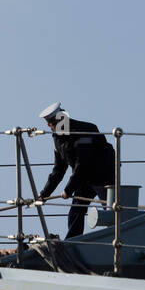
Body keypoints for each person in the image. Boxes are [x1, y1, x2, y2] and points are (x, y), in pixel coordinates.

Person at [37, 102, 116, 240]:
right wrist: (44, 194)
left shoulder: (83, 130)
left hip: (103, 176)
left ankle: (118, 239)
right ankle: (73, 244)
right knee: (75, 212)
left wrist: (68, 190)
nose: (51, 127)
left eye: (52, 124)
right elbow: (59, 169)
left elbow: (83, 164)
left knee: (112, 210)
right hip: (84, 179)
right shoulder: (58, 139)